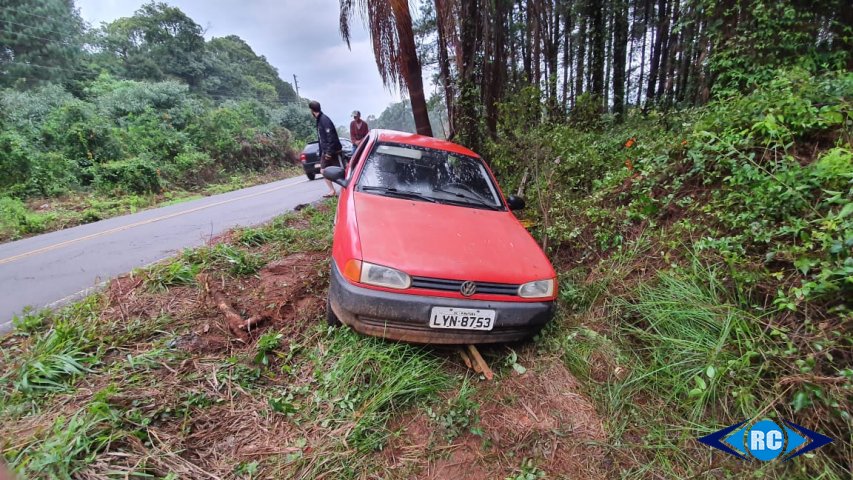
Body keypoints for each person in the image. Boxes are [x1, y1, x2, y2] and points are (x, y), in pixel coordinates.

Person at [308, 100, 343, 197]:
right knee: (337, 170)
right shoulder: (320, 119)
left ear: (312, 110)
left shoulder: (324, 120)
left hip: (331, 150)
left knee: (324, 170)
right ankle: (340, 188)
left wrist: (328, 152)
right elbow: (322, 138)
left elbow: (330, 136)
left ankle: (333, 190)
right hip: (328, 150)